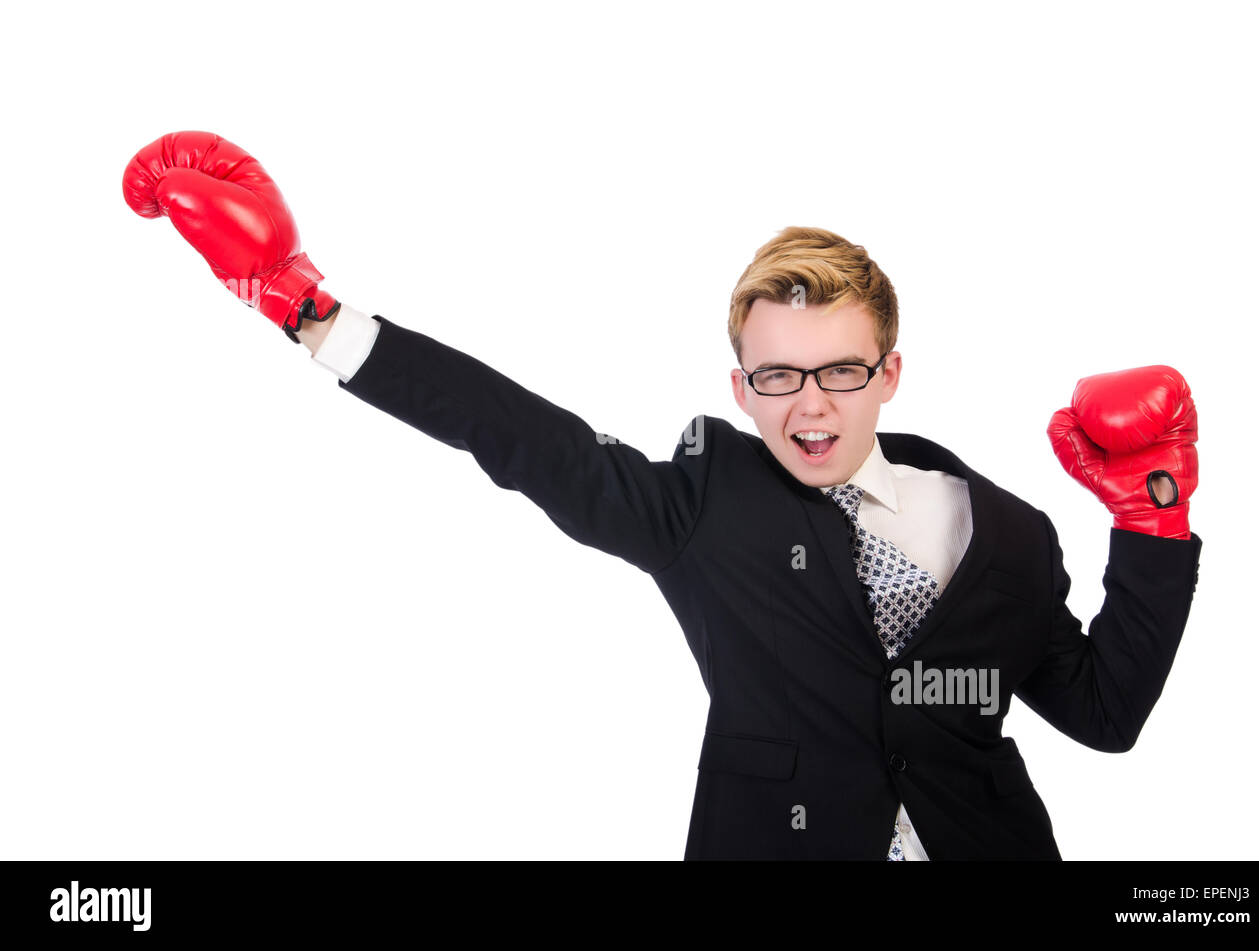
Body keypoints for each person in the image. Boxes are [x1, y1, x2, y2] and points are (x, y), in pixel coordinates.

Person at [122, 131, 1202, 860]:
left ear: (889, 374)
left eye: (838, 370)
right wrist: (310, 311)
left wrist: (1150, 524)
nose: (809, 405)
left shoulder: (1005, 531)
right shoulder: (705, 504)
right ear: (741, 387)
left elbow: (1104, 717)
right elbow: (524, 439)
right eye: (776, 375)